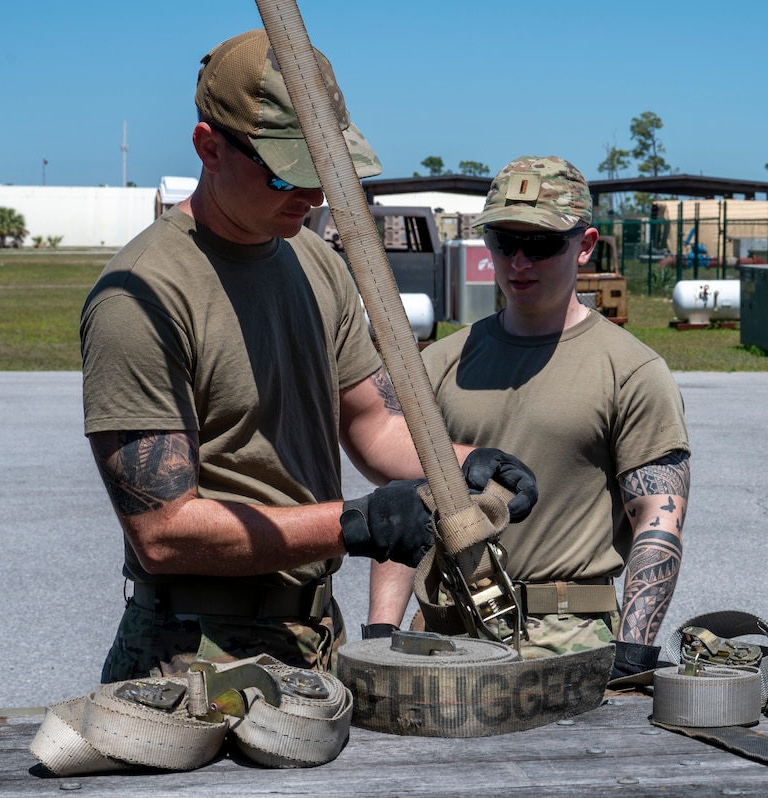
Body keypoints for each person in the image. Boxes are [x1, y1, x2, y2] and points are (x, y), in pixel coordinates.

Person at [79, 29, 535, 682]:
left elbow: (373, 424)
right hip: (195, 656)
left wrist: (462, 466)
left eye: (327, 169)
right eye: (287, 170)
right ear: (209, 148)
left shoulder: (316, 261)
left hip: (314, 635)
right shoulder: (143, 296)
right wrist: (355, 523)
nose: (315, 194)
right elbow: (163, 531)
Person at [367, 156, 690, 680]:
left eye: (540, 245)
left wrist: (633, 655)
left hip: (570, 639)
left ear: (584, 246)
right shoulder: (440, 364)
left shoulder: (632, 371)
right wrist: (381, 635)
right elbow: (405, 508)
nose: (519, 261)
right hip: (449, 638)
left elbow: (657, 520)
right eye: (502, 242)